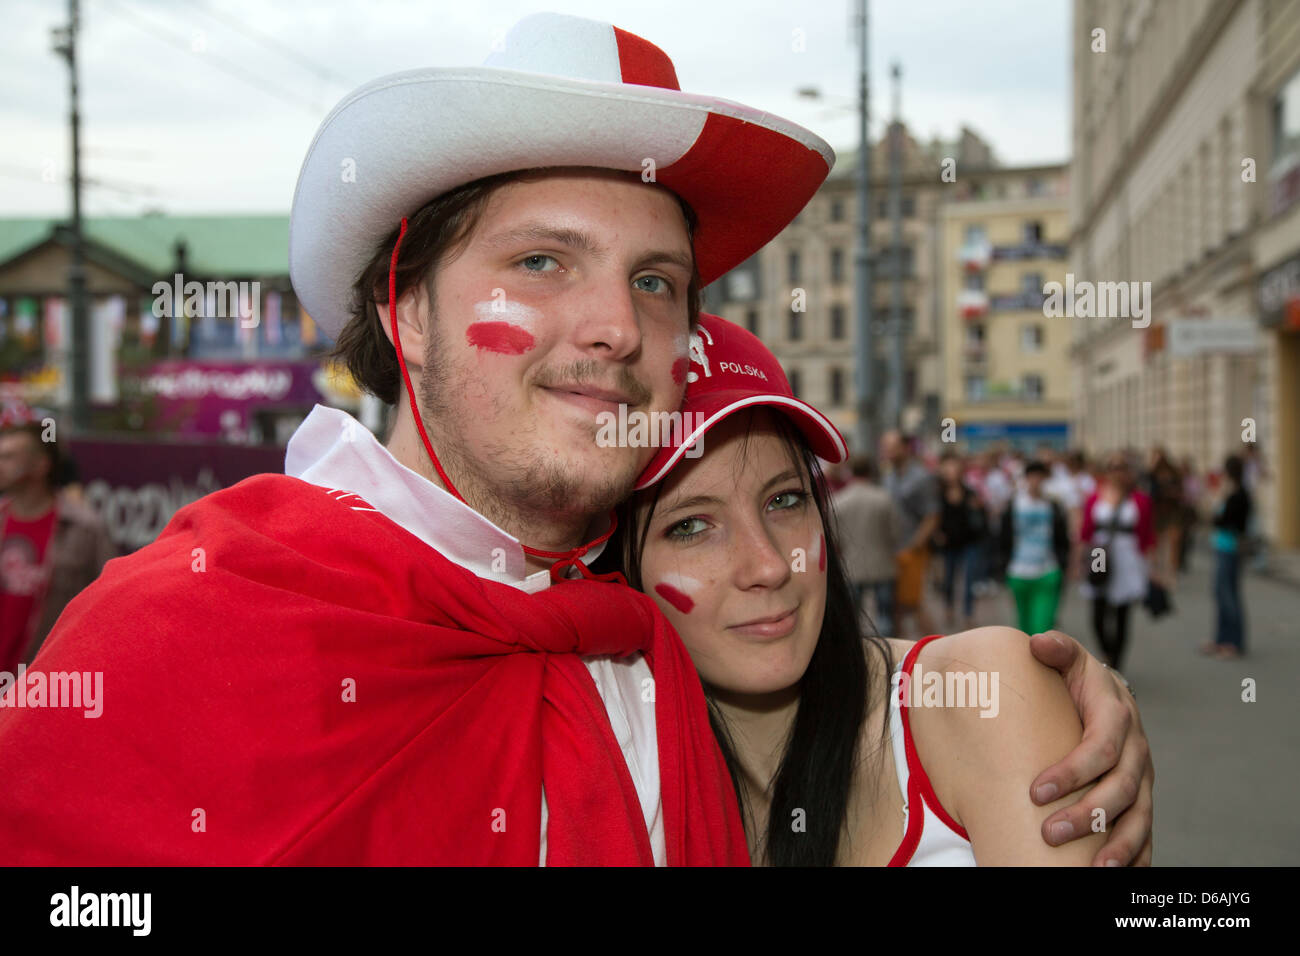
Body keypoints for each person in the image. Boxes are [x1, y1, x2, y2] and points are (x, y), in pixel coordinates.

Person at [0, 12, 847, 865]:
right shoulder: (164, 639)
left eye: (656, 281)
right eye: (542, 262)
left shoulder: (669, 638)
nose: (619, 326)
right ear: (402, 307)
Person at [604, 315, 1154, 865]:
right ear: (617, 569)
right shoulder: (593, 787)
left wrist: (1068, 704)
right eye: (690, 526)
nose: (770, 565)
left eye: (784, 500)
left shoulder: (983, 693)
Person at [0, 419, 117, 672]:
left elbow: (110, 606)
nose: (1, 465)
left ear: (41, 465)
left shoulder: (85, 528)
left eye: (8, 457)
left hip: (46, 684)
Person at [1080, 454, 1155, 671]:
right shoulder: (1096, 496)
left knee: (1122, 612)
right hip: (1100, 553)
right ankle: (1105, 651)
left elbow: (1148, 535)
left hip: (1127, 555)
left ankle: (1117, 664)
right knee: (1098, 607)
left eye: (1122, 468)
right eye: (1113, 467)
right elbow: (1086, 531)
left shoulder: (1140, 499)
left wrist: (1153, 567)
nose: (1118, 472)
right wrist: (1078, 561)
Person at [830, 454, 902, 635]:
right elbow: (895, 533)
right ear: (870, 471)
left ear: (851, 471)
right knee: (885, 614)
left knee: (854, 616)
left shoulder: (838, 501)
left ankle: (858, 651)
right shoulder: (883, 498)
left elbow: (834, 538)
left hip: (852, 565)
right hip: (883, 564)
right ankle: (888, 650)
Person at [998, 460, 1071, 636]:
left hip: (1047, 571)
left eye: (1040, 477)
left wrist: (1066, 565)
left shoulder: (1053, 505)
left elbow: (1063, 537)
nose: (1036, 481)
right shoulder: (1014, 504)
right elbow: (1002, 538)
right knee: (1023, 627)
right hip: (1018, 571)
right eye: (1032, 476)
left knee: (1042, 627)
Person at [881, 430, 940, 638]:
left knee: (913, 604)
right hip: (892, 550)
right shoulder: (888, 477)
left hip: (911, 550)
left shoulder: (922, 477)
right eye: (885, 447)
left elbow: (932, 516)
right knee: (895, 606)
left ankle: (938, 649)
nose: (886, 451)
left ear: (906, 448)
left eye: (891, 447)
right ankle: (901, 654)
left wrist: (914, 547)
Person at [1202, 454, 1252, 660]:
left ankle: (1233, 642)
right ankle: (1221, 638)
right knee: (1221, 594)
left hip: (1230, 549)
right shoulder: (1234, 494)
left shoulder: (1238, 495)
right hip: (1224, 548)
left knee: (1228, 595)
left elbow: (1222, 520)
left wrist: (1216, 504)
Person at [933, 451, 986, 632]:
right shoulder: (939, 493)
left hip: (969, 542)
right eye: (948, 469)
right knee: (948, 578)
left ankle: (968, 613)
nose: (951, 472)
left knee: (969, 578)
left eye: (955, 468)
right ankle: (949, 608)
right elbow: (934, 518)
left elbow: (981, 516)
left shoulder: (969, 492)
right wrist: (937, 534)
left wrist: (978, 508)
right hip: (948, 543)